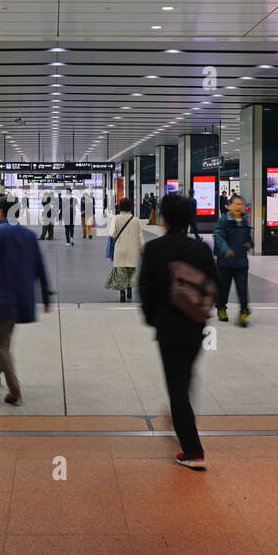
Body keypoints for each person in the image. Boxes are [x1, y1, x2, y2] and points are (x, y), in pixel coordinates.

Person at [139, 194, 218, 471]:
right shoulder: (202, 249)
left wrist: (153, 319)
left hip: (169, 326)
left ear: (164, 218)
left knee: (177, 387)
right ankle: (180, 418)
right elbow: (214, 285)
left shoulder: (155, 249)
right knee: (184, 377)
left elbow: (146, 291)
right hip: (197, 325)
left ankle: (193, 451)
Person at [0, 196, 53, 406]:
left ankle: (14, 389)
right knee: (5, 341)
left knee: (3, 345)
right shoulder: (28, 235)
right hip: (22, 298)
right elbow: (40, 266)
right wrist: (46, 295)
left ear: (1, 213)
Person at [214, 193, 253, 327]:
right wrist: (225, 249)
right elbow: (218, 236)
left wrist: (249, 243)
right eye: (236, 204)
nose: (239, 206)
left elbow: (248, 236)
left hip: (241, 261)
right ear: (228, 206)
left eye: (241, 204)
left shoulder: (244, 221)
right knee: (224, 287)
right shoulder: (223, 220)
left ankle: (244, 310)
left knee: (242, 288)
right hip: (225, 261)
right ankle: (221, 308)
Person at [104, 197, 144, 303]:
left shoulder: (116, 219)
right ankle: (130, 290)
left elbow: (112, 234)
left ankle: (122, 293)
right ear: (131, 207)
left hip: (120, 250)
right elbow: (140, 238)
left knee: (121, 273)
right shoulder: (135, 220)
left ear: (120, 207)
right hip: (132, 250)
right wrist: (143, 251)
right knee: (131, 271)